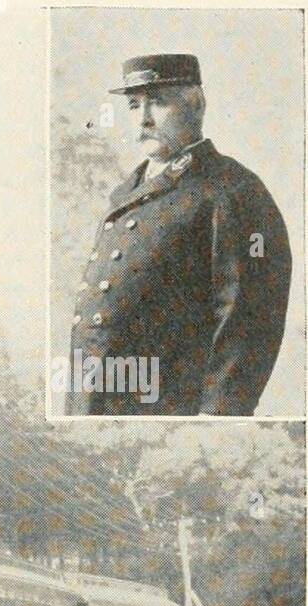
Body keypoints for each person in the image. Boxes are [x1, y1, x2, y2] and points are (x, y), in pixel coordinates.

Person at [65, 55, 292, 415]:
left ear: (197, 104)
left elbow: (249, 318)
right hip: (100, 401)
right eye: (135, 104)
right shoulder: (131, 191)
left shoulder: (230, 190)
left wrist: (217, 418)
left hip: (167, 409)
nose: (144, 118)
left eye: (158, 101)